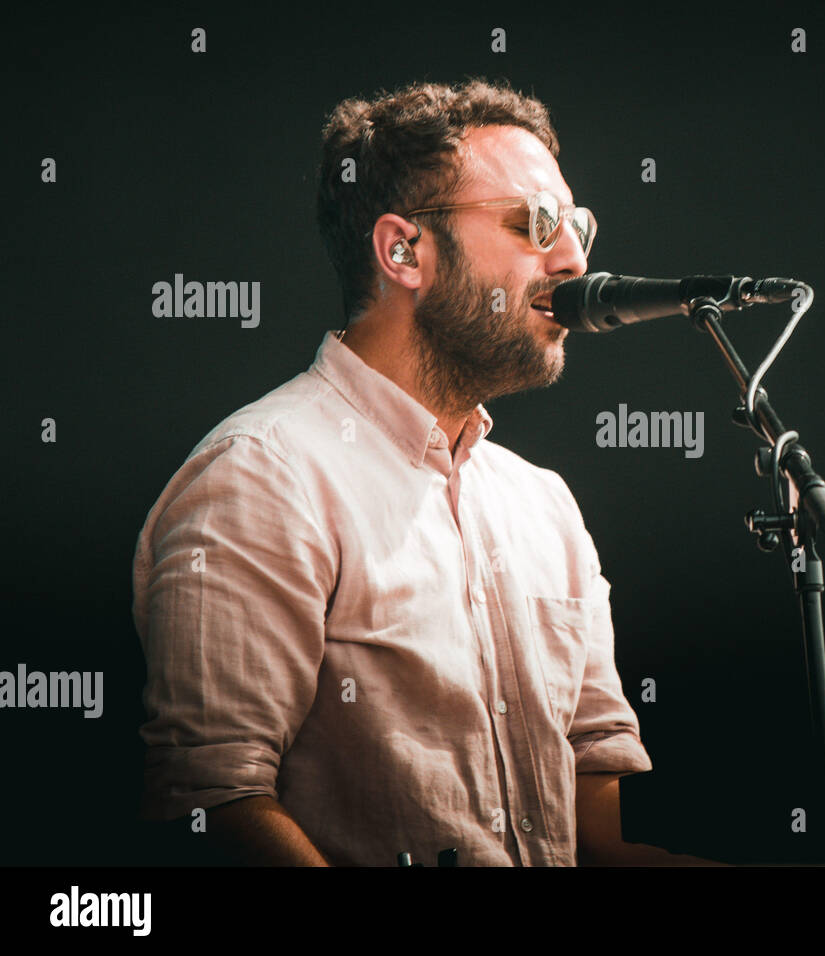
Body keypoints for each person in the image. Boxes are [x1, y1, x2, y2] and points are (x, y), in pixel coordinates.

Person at [132, 78, 715, 866]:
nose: (575, 255)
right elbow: (213, 801)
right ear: (404, 251)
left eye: (577, 223)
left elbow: (596, 841)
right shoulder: (262, 477)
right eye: (534, 222)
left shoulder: (543, 505)